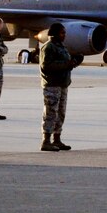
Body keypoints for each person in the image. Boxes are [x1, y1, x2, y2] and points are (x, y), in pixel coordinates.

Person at [39, 22, 81, 151]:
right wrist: (67, 64)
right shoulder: (48, 47)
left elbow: (64, 63)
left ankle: (56, 139)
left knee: (60, 113)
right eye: (62, 33)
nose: (64, 35)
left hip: (62, 84)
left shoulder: (61, 47)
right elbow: (47, 66)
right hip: (52, 85)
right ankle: (46, 141)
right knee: (51, 113)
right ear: (55, 34)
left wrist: (74, 62)